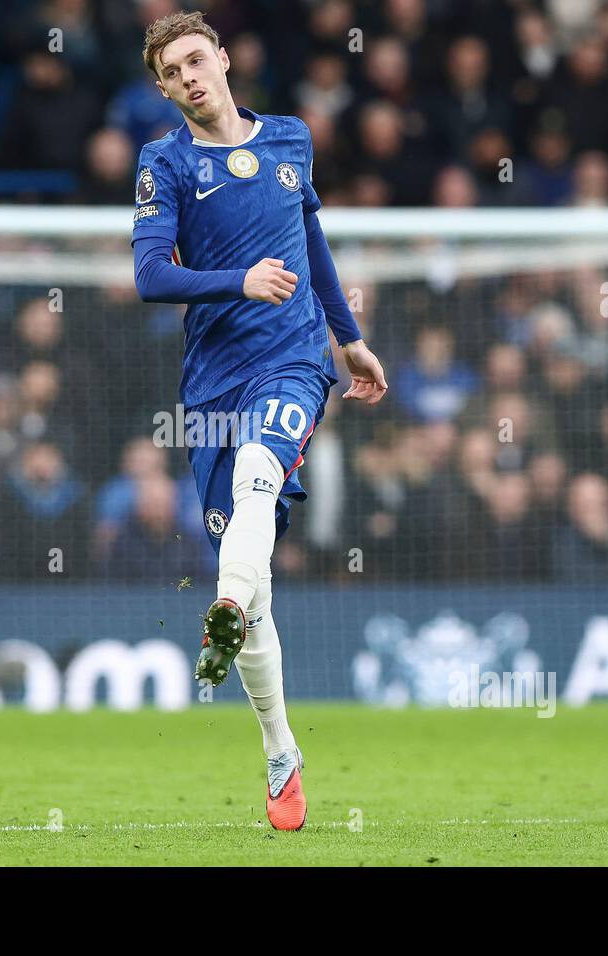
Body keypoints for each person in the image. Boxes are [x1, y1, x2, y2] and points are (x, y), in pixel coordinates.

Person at [130, 12, 387, 830]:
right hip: (211, 387)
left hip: (293, 362)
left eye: (197, 60)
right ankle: (280, 746)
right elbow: (148, 276)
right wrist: (238, 280)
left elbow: (311, 241)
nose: (190, 78)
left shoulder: (290, 139)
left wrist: (348, 341)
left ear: (224, 59)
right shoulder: (163, 164)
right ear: (166, 90)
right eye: (173, 73)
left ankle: (226, 608)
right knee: (257, 567)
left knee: (258, 475)